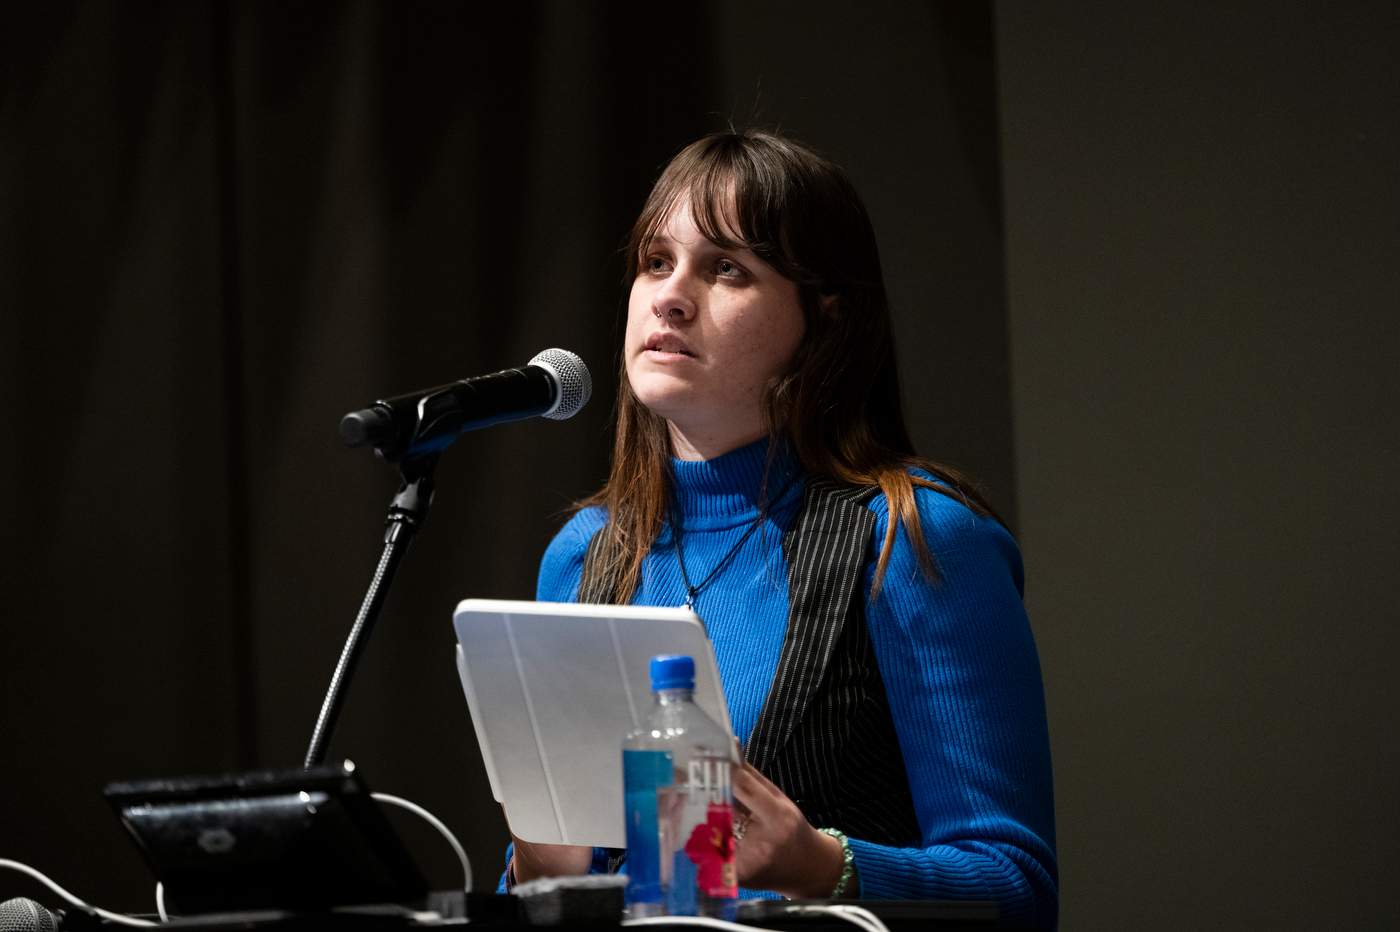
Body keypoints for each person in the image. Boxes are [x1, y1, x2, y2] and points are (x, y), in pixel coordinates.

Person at [502, 131, 1057, 928]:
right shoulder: (584, 557)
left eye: (726, 268)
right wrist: (536, 869)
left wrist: (823, 867)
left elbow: (1019, 891)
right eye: (656, 261)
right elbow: (556, 890)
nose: (671, 296)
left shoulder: (911, 538)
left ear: (824, 318)